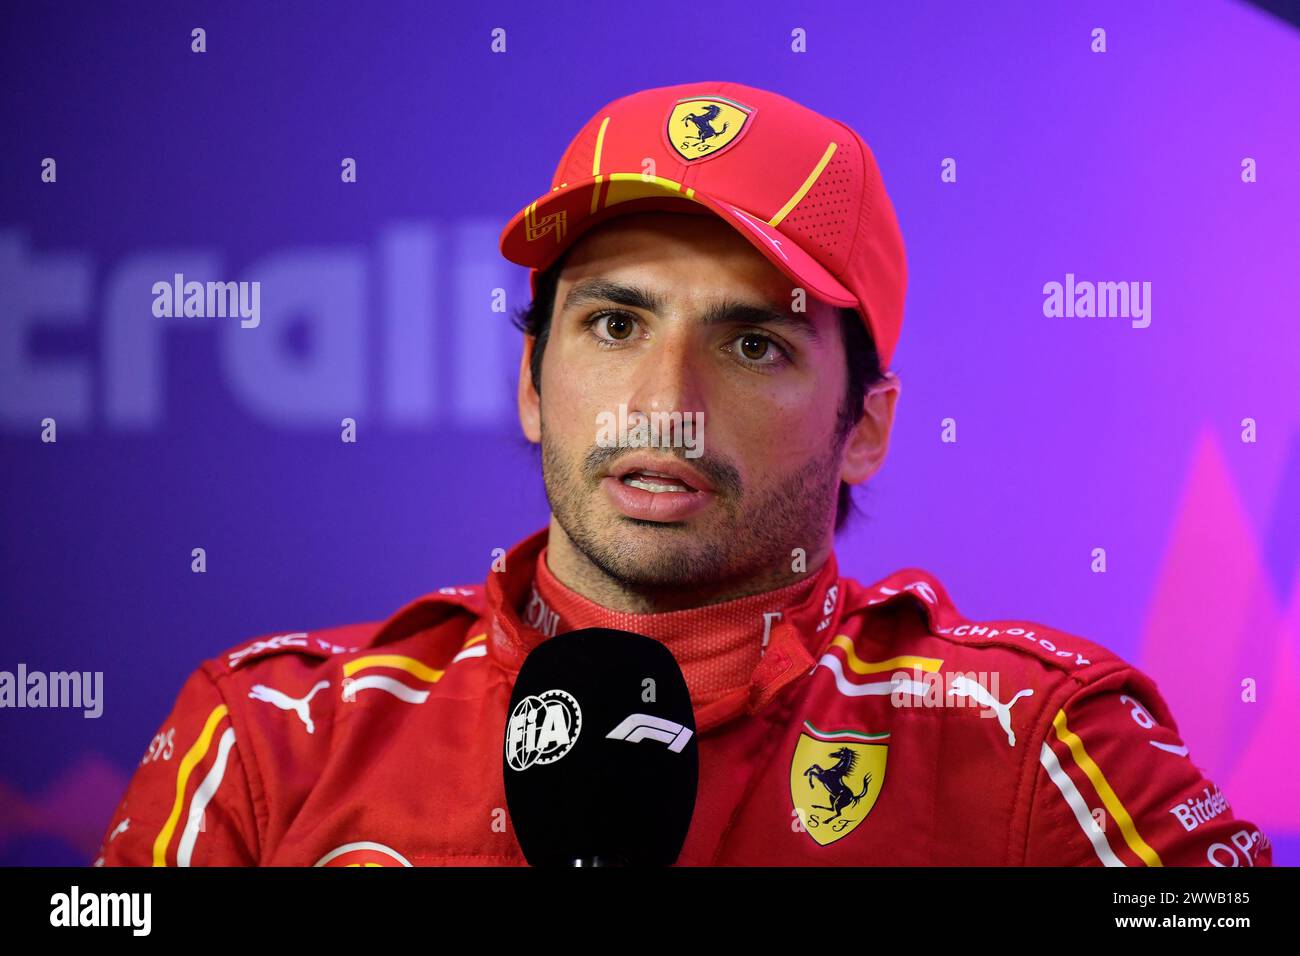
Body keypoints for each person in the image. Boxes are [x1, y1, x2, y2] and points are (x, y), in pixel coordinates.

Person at [95, 81, 1271, 867]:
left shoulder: (1041, 739)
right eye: (613, 324)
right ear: (528, 380)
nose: (667, 397)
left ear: (866, 426)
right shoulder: (267, 734)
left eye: (752, 342)